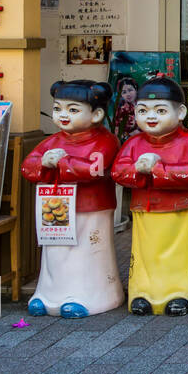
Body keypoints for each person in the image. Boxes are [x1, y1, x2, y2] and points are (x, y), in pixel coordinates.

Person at [111, 75, 188, 316]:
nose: (151, 117)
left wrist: (157, 168)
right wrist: (137, 168)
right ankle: (143, 293)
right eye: (143, 110)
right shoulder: (134, 143)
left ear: (180, 113)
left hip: (181, 211)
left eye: (160, 110)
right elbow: (117, 171)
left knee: (181, 253)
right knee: (147, 255)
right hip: (145, 211)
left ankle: (183, 292)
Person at [20, 80, 124, 318]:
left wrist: (63, 162)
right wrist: (44, 163)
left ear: (96, 114)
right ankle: (48, 294)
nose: (63, 115)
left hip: (91, 208)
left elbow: (94, 170)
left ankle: (90, 295)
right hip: (57, 205)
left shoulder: (105, 140)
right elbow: (28, 167)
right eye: (58, 109)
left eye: (73, 110)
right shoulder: (53, 141)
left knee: (85, 253)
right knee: (55, 253)